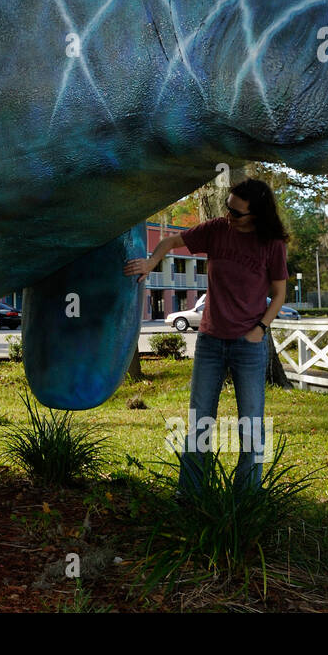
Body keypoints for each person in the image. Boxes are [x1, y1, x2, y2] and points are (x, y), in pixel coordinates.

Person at [123, 179, 289, 497]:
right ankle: (190, 493)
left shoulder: (272, 244)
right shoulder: (215, 230)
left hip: (249, 345)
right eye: (227, 208)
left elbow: (279, 294)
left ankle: (247, 498)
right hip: (210, 341)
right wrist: (150, 262)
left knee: (251, 423)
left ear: (257, 214)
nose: (229, 215)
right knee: (200, 420)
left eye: (237, 213)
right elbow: (171, 242)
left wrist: (262, 329)